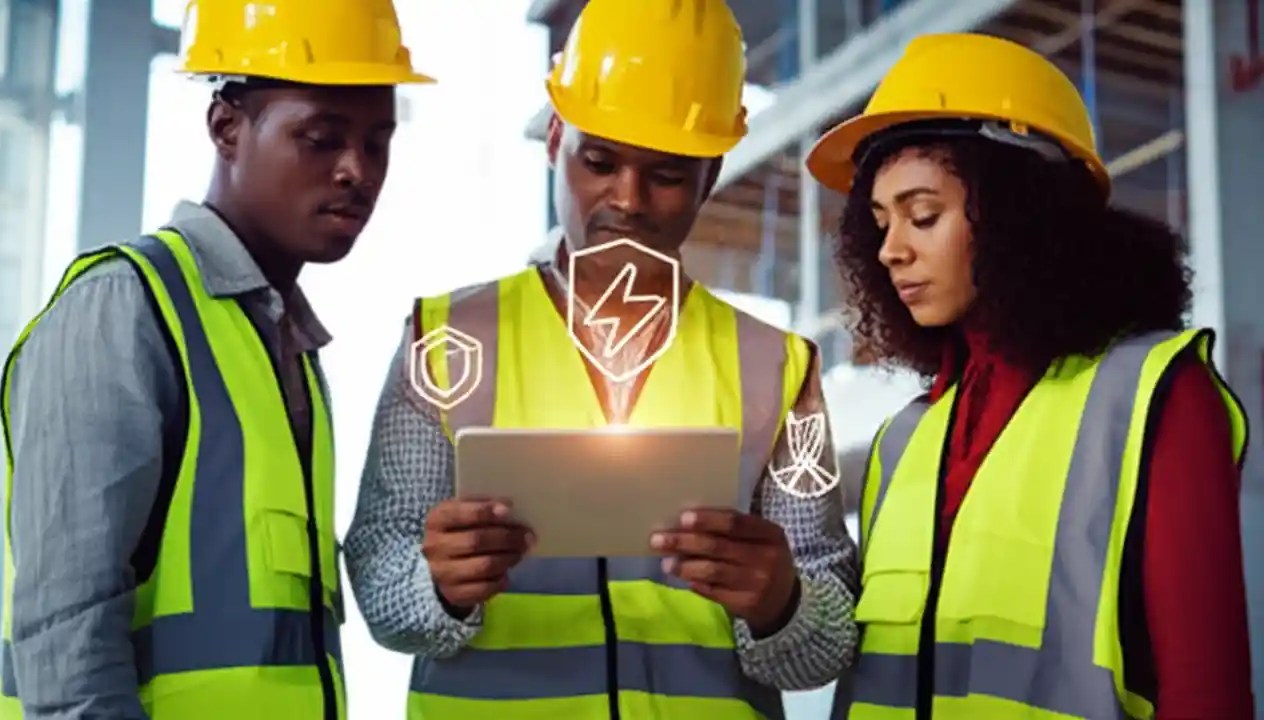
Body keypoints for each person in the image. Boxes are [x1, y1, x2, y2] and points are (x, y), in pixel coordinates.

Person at [343, 1, 859, 718]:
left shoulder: (776, 367)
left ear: (710, 175)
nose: (628, 199)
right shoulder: (447, 339)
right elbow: (378, 574)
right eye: (600, 161)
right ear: (555, 139)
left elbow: (829, 631)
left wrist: (782, 603)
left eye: (668, 175)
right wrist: (435, 584)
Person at [0, 2, 432, 718]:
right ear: (226, 126)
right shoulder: (124, 309)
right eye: (321, 139)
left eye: (378, 143)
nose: (357, 171)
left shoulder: (280, 340)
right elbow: (65, 647)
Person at [808, 33, 1255, 720]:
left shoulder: (1152, 396)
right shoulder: (904, 442)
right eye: (880, 222)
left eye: (923, 215)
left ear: (1023, 210)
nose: (892, 250)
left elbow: (1207, 695)